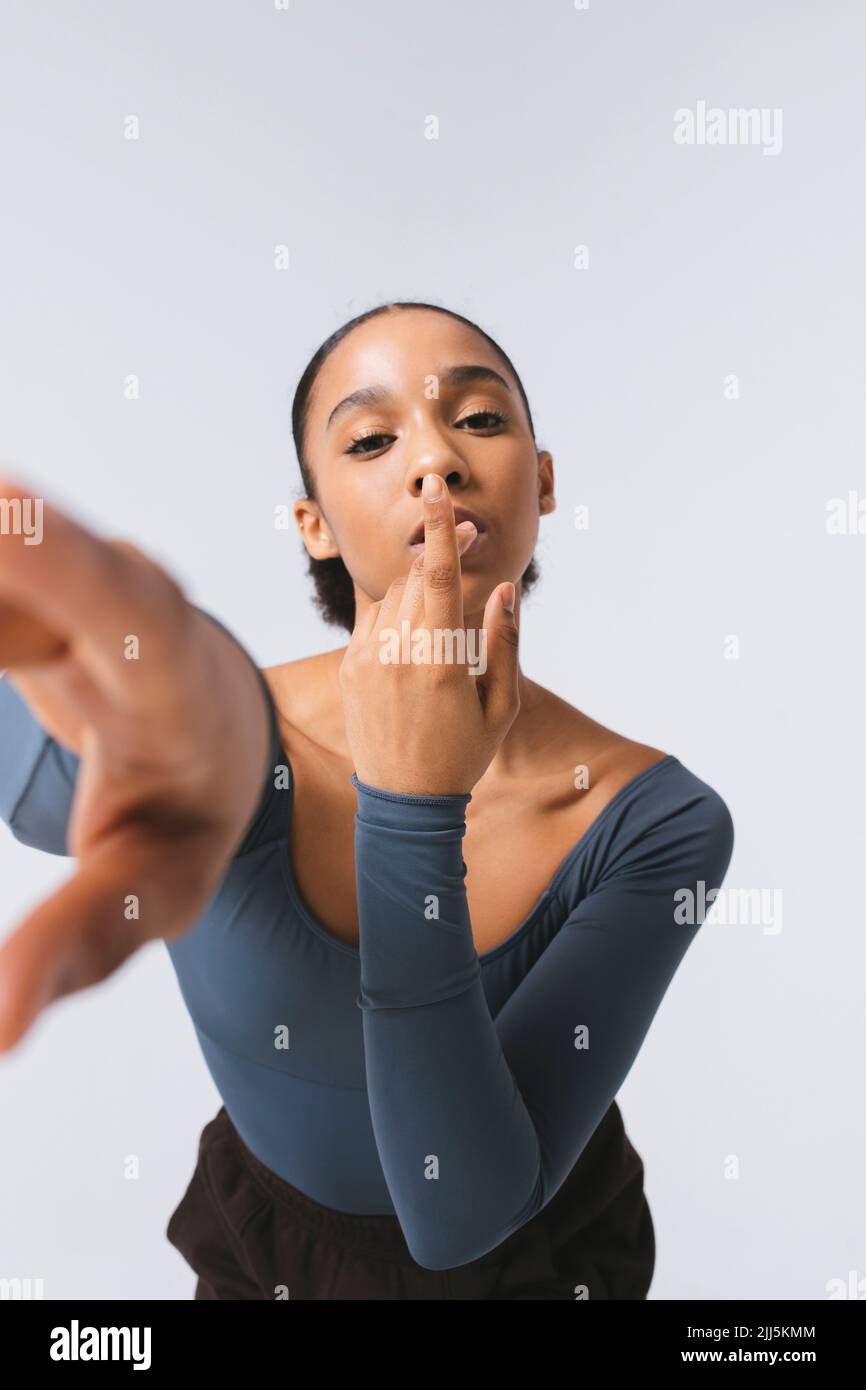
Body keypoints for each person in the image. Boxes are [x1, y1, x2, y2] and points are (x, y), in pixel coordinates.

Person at [0, 301, 734, 1299]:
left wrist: (409, 806)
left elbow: (457, 1215)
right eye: (373, 439)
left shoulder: (657, 820)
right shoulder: (232, 737)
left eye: (478, 419)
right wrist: (126, 695)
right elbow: (55, 762)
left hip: (535, 1266)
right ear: (314, 525)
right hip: (263, 1254)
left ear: (543, 480)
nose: (434, 459)